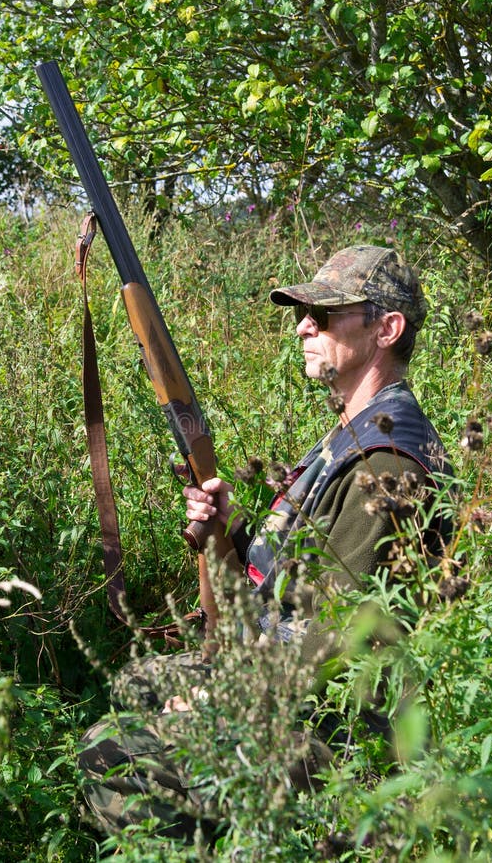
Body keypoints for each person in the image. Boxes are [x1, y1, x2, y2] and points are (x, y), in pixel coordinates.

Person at [78, 245, 452, 838]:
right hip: (293, 682)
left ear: (387, 329)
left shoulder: (385, 462)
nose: (304, 325)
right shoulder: (351, 436)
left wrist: (224, 699)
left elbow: (339, 640)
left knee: (109, 754)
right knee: (139, 682)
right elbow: (255, 605)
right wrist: (219, 536)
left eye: (325, 315)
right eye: (305, 313)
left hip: (349, 732)